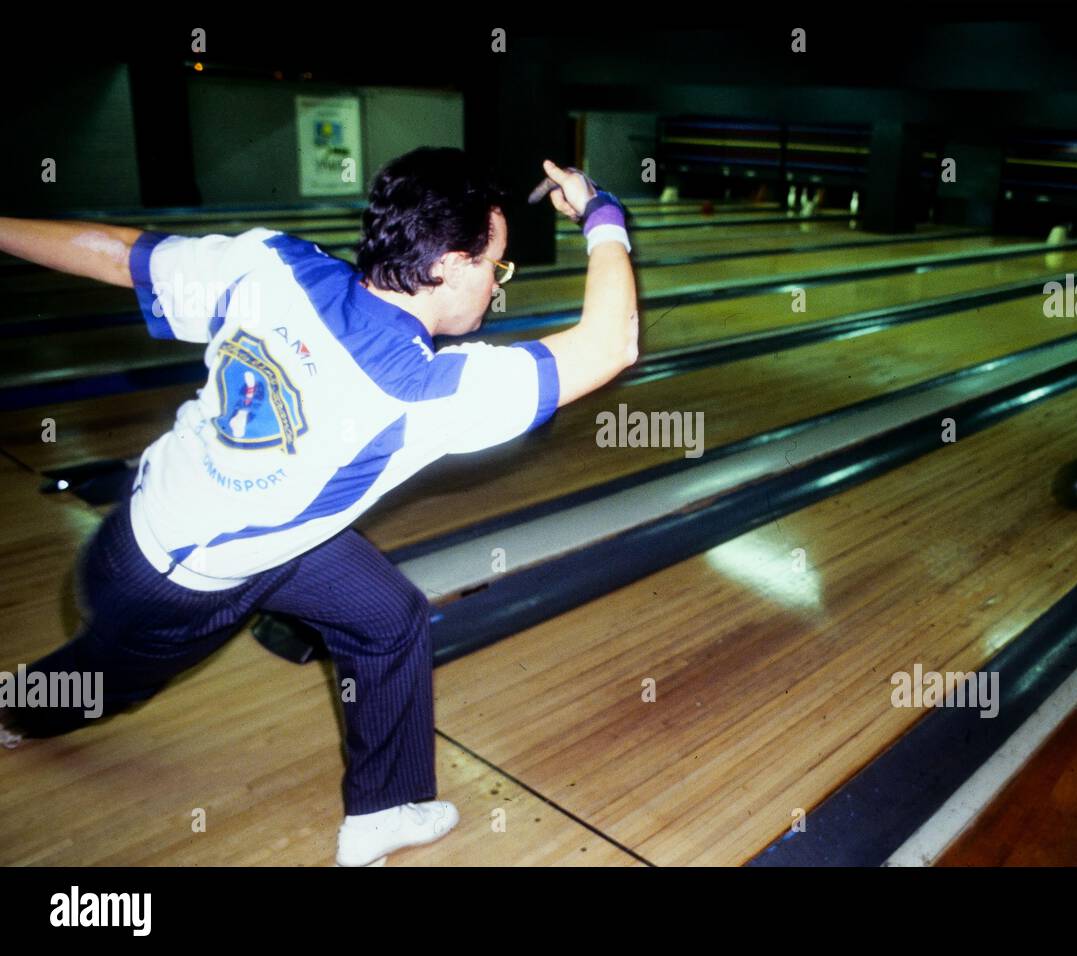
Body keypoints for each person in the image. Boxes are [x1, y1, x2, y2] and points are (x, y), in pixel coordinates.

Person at [0, 148, 638, 866]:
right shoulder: (421, 389)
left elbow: (120, 254)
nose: (497, 286)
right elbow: (611, 345)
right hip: (167, 590)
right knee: (102, 685)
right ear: (452, 266)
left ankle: (382, 813)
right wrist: (601, 214)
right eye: (497, 267)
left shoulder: (274, 264)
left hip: (183, 526)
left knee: (386, 616)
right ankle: (17, 708)